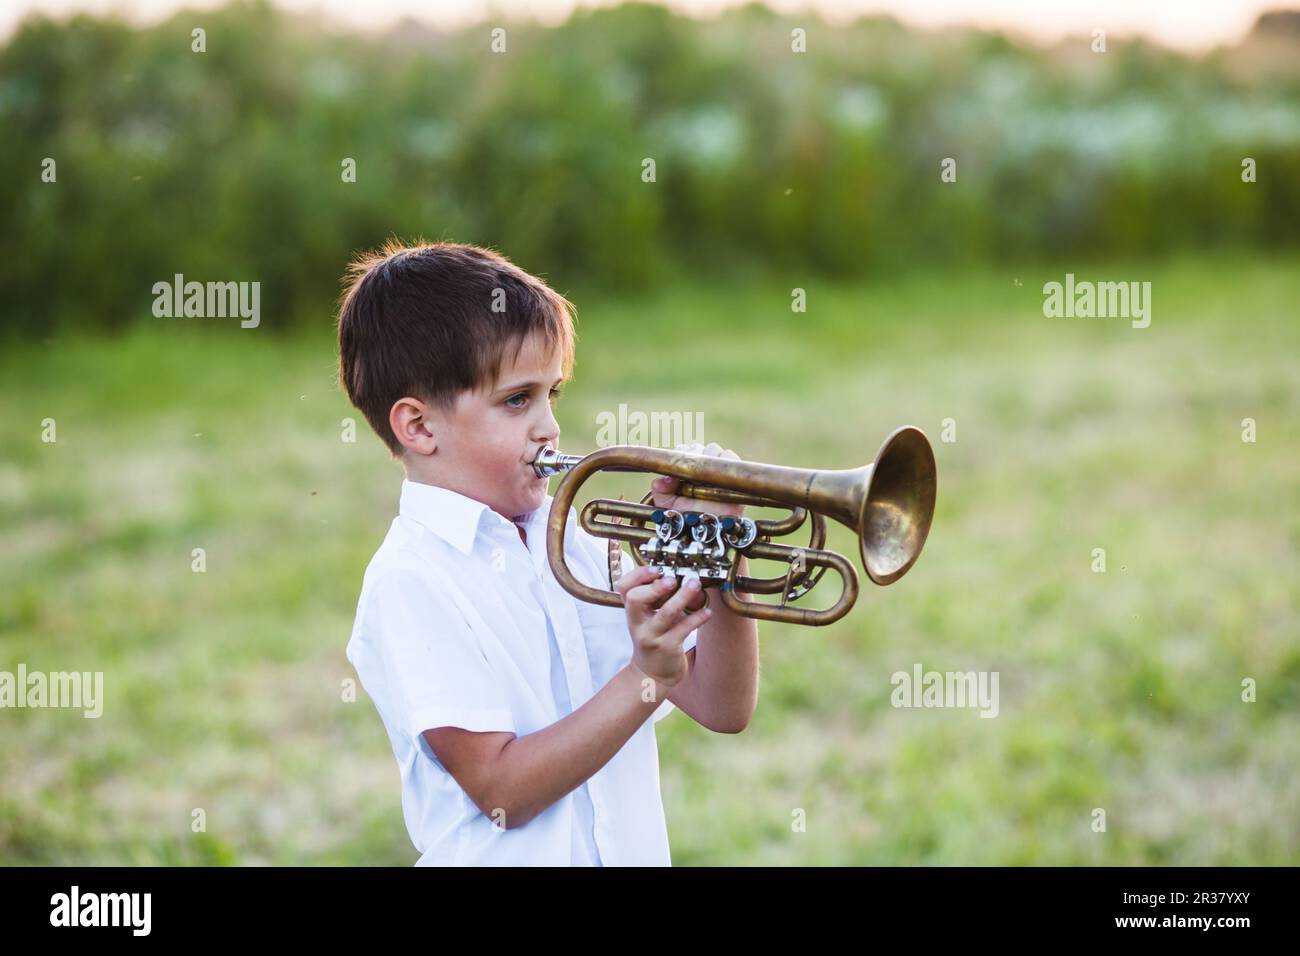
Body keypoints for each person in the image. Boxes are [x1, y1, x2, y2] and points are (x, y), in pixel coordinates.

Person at [337, 240, 759, 865]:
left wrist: (717, 555)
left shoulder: (579, 545)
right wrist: (644, 676)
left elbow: (724, 708)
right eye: (516, 400)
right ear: (420, 427)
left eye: (551, 395)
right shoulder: (411, 581)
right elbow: (503, 790)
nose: (548, 428)